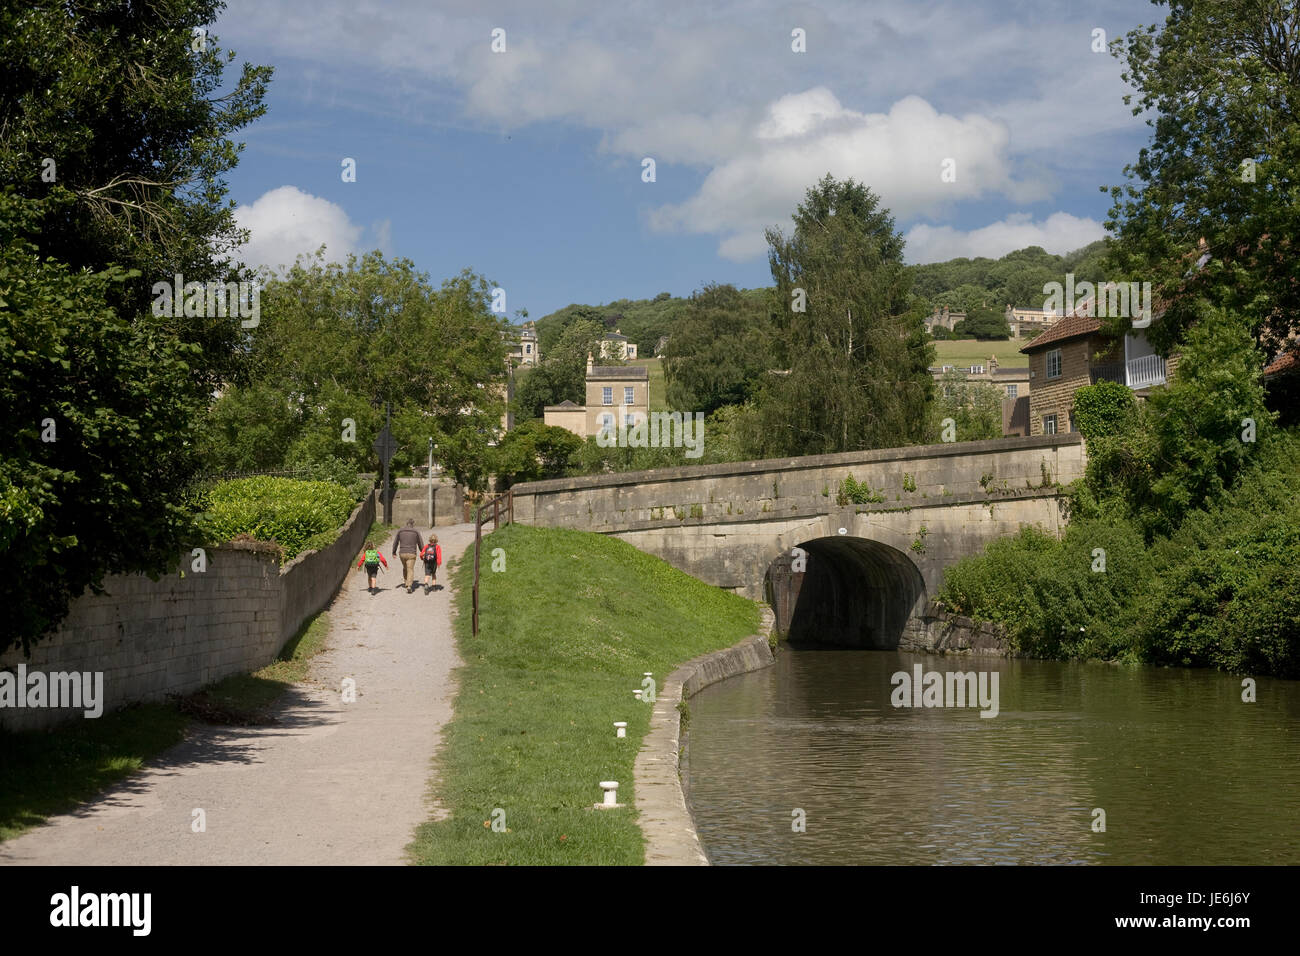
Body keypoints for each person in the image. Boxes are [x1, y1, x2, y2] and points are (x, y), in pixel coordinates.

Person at [392, 519, 424, 593]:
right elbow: (420, 543)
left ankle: (406, 582)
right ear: (413, 524)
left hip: (402, 553)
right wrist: (423, 552)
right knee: (410, 569)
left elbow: (395, 542)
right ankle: (409, 585)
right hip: (412, 553)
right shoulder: (416, 532)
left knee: (405, 567)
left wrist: (394, 552)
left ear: (406, 524)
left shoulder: (400, 531)